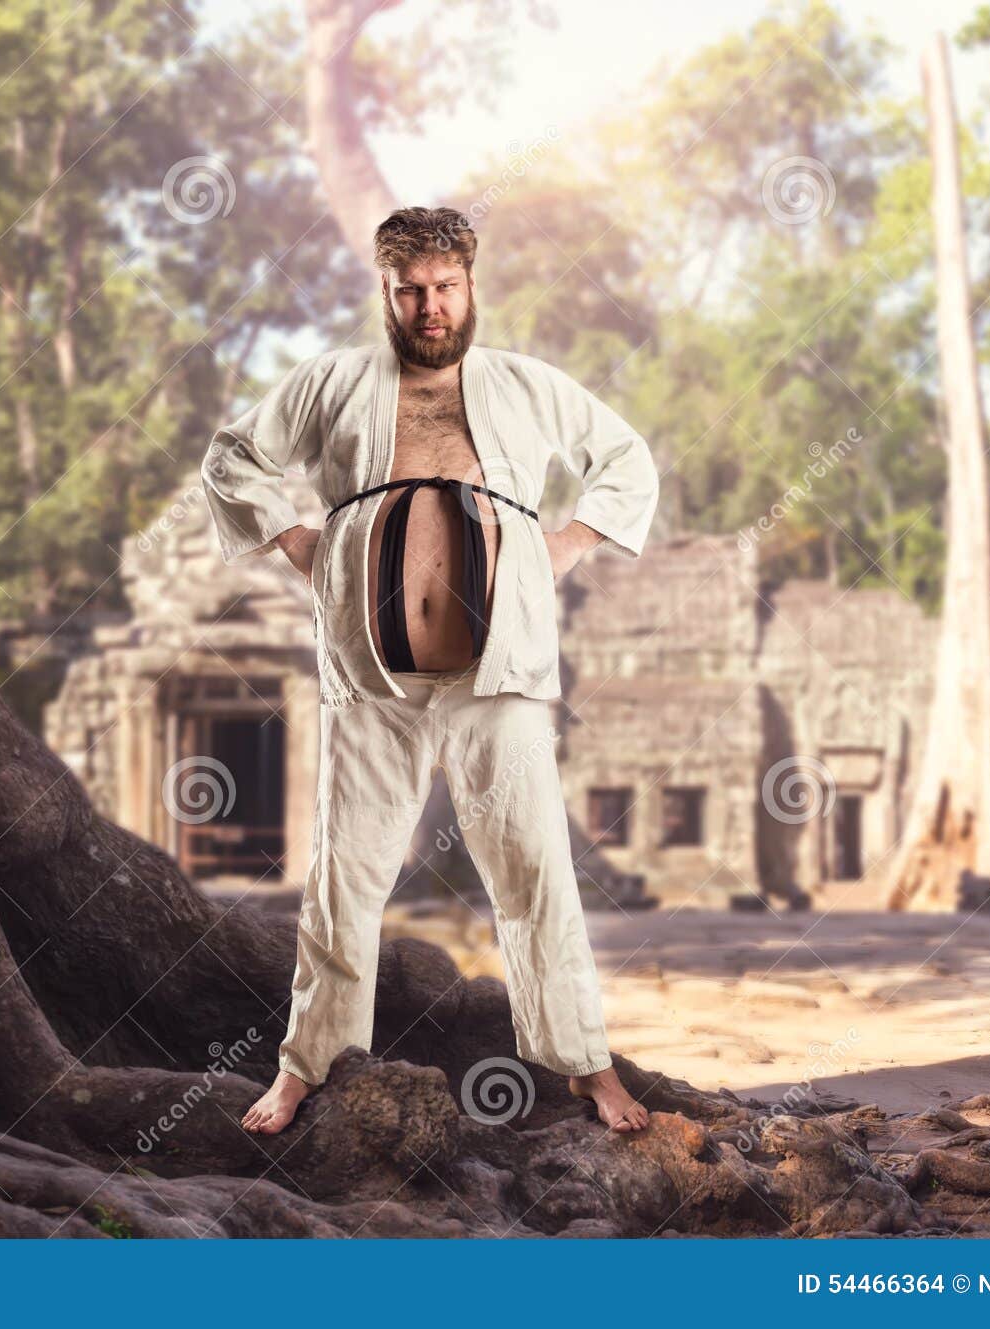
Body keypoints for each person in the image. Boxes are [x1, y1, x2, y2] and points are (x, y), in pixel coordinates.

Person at [199, 206, 660, 1136]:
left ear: (470, 285)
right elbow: (231, 456)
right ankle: (306, 1066)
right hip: (372, 681)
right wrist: (298, 541)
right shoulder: (334, 382)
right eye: (409, 289)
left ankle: (586, 1065)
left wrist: (563, 544)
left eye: (445, 286)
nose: (429, 306)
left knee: (535, 869)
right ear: (384, 291)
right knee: (344, 872)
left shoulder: (525, 387)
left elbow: (626, 458)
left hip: (503, 675)